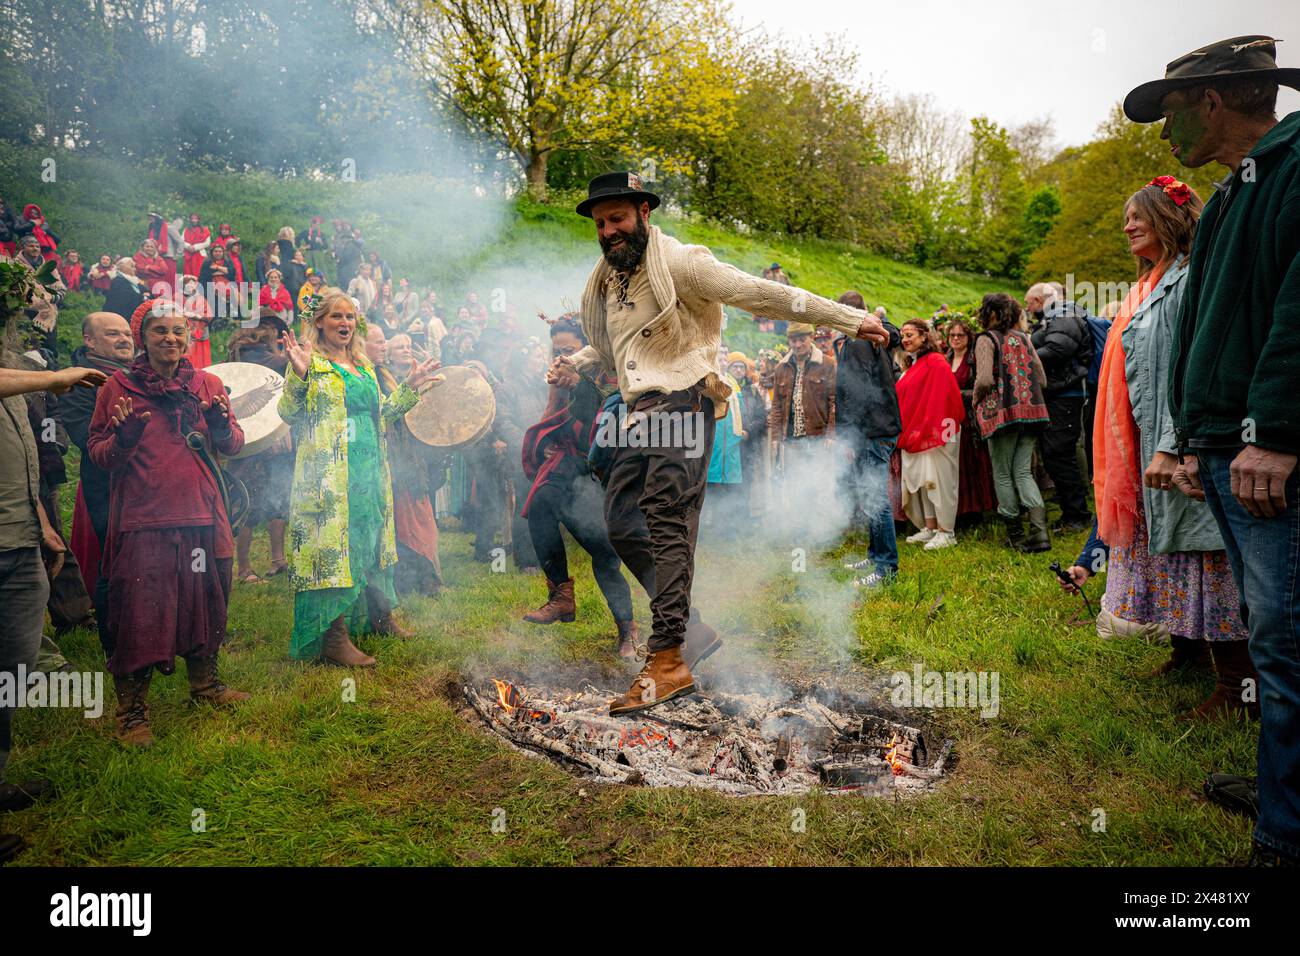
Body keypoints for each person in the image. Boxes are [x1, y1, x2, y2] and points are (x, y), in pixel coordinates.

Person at [547, 172, 888, 714]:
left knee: (663, 515)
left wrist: (848, 319)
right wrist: (581, 363)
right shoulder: (609, 280)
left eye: (617, 218)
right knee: (620, 523)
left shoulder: (681, 263)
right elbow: (616, 342)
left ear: (643, 213)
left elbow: (761, 293)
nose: (609, 231)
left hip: (685, 401)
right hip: (641, 412)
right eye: (600, 223)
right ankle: (693, 629)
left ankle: (667, 658)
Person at [1128, 34, 1300, 865]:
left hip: (1269, 455)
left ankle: (1288, 832)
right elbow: (1213, 327)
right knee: (1274, 637)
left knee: (1287, 637)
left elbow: (1298, 312)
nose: (1164, 139)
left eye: (1169, 115)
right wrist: (1193, 442)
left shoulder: (1297, 165)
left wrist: (1275, 431)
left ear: (1214, 100)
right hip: (1225, 449)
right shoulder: (1236, 190)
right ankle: (1281, 788)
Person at [1061, 174, 1256, 714]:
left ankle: (1238, 684)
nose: (1127, 225)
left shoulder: (1196, 277)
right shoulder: (1148, 284)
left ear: (1168, 220)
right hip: (1148, 438)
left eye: (1137, 216)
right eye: (1126, 217)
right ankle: (1187, 651)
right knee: (1166, 551)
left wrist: (1177, 442)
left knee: (1205, 554)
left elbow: (1192, 366)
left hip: (1182, 437)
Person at [88, 299, 249, 747]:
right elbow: (99, 455)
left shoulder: (207, 383)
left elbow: (234, 444)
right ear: (144, 337)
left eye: (179, 331)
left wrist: (220, 425)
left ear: (189, 336)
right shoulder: (117, 387)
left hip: (202, 512)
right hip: (145, 517)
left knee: (208, 599)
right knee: (141, 612)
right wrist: (122, 440)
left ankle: (205, 685)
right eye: (160, 331)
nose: (171, 339)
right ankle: (132, 713)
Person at [277, 290, 439, 666]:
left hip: (368, 469)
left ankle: (379, 617)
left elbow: (381, 414)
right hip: (330, 476)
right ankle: (334, 637)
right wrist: (299, 377)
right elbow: (287, 412)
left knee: (371, 539)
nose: (344, 323)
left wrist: (410, 386)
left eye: (350, 317)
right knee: (334, 551)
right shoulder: (309, 362)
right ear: (319, 322)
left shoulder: (363, 366)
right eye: (336, 316)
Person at [0, 358, 107, 863]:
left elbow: (21, 453)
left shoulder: (16, 383)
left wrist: (41, 519)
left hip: (18, 538)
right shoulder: (21, 379)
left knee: (16, 664)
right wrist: (56, 378)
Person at [522, 316, 638, 656]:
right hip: (570, 466)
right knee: (539, 504)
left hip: (605, 472)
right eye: (556, 350)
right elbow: (553, 417)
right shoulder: (560, 375)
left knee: (604, 554)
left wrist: (578, 383)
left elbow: (604, 419)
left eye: (568, 350)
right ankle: (560, 595)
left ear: (587, 349)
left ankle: (627, 630)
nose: (561, 356)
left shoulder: (612, 372)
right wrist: (545, 443)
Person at [64, 312, 135, 659]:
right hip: (107, 487)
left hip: (153, 486)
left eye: (126, 333)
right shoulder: (78, 382)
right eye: (112, 334)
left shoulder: (141, 374)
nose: (124, 339)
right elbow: (85, 437)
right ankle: (117, 648)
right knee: (116, 563)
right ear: (89, 340)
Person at [834, 291, 902, 589]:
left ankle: (886, 566)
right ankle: (876, 555)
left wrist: (849, 435)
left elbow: (858, 392)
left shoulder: (860, 341)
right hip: (876, 428)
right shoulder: (872, 336)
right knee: (870, 494)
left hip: (872, 430)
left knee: (876, 497)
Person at [973, 293, 1052, 551]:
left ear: (990, 313)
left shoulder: (986, 339)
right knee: (1022, 471)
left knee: (1003, 474)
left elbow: (984, 379)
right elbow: (1041, 379)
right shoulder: (1023, 338)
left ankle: (1014, 533)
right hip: (1031, 413)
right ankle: (1040, 533)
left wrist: (976, 400)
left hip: (1003, 415)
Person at [225, 315, 294, 585]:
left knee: (252, 502)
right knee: (266, 502)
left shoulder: (233, 361)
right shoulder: (275, 362)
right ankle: (258, 565)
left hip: (244, 440)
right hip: (267, 440)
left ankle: (252, 566)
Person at [1027, 281, 1094, 531]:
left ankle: (1077, 515)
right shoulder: (1055, 317)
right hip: (1058, 392)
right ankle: (1071, 512)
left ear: (1042, 299)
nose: (1028, 307)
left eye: (1030, 302)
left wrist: (1024, 355)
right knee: (1055, 455)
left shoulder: (1064, 314)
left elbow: (1058, 348)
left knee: (1061, 454)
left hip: (1066, 394)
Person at [382, 332, 446, 594]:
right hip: (398, 458)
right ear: (389, 352)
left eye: (409, 345)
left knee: (422, 516)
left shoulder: (422, 375)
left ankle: (430, 577)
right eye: (400, 346)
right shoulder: (383, 379)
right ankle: (412, 580)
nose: (406, 350)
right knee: (404, 521)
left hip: (420, 456)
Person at [896, 319, 964, 550]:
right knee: (925, 482)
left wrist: (933, 431)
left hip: (937, 432)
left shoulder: (936, 362)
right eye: (903, 335)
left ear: (925, 336)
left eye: (910, 334)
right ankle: (931, 527)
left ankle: (947, 531)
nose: (905, 339)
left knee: (939, 481)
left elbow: (945, 398)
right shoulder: (914, 364)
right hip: (918, 432)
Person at [768, 322, 836, 492]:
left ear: (811, 338)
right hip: (791, 439)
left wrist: (831, 434)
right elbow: (776, 406)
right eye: (793, 341)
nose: (797, 345)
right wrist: (775, 437)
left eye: (802, 340)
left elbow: (834, 401)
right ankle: (797, 519)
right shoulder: (781, 368)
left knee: (817, 487)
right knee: (794, 486)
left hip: (817, 438)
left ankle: (817, 518)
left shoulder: (827, 364)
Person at [946, 318, 997, 521]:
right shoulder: (945, 358)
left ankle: (975, 508)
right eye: (952, 335)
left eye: (961, 335)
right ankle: (957, 508)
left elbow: (982, 387)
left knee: (971, 461)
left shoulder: (973, 359)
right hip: (949, 419)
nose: (956, 339)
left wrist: (957, 395)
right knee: (953, 461)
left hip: (969, 417)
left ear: (969, 337)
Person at [728, 351, 769, 521]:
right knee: (731, 482)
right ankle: (730, 519)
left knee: (747, 481)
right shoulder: (724, 389)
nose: (738, 370)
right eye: (735, 366)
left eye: (741, 367)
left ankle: (744, 519)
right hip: (729, 444)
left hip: (748, 444)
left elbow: (761, 417)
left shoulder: (751, 391)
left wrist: (749, 432)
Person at [179, 274, 214, 368]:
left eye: (193, 283)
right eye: (188, 284)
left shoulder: (201, 299)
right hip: (187, 332)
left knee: (203, 357)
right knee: (189, 355)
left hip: (201, 332)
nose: (191, 285)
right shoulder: (178, 298)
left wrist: (197, 316)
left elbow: (209, 314)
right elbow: (176, 313)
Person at [103, 257, 148, 322]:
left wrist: (145, 296)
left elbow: (148, 293)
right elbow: (128, 297)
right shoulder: (117, 280)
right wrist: (143, 297)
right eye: (131, 266)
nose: (134, 269)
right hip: (117, 318)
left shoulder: (134, 280)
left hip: (131, 317)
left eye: (134, 267)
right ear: (121, 267)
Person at [181, 212, 211, 279]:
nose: (194, 220)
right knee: (187, 274)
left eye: (196, 218)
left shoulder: (205, 230)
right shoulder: (186, 229)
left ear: (199, 220)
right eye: (192, 218)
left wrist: (195, 247)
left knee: (199, 273)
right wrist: (188, 246)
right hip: (188, 255)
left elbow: (207, 242)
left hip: (199, 254)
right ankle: (188, 288)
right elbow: (181, 241)